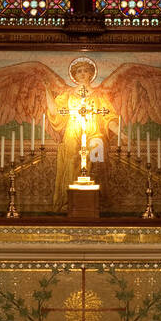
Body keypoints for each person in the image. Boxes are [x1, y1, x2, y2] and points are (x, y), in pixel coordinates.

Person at [45, 58, 117, 211]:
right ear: (74, 75)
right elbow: (55, 113)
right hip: (73, 131)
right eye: (79, 71)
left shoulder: (99, 96)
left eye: (86, 70)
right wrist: (47, 92)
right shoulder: (67, 95)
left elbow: (108, 117)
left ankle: (98, 201)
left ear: (91, 74)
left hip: (94, 131)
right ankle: (69, 202)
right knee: (72, 160)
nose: (83, 73)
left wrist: (121, 133)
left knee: (96, 156)